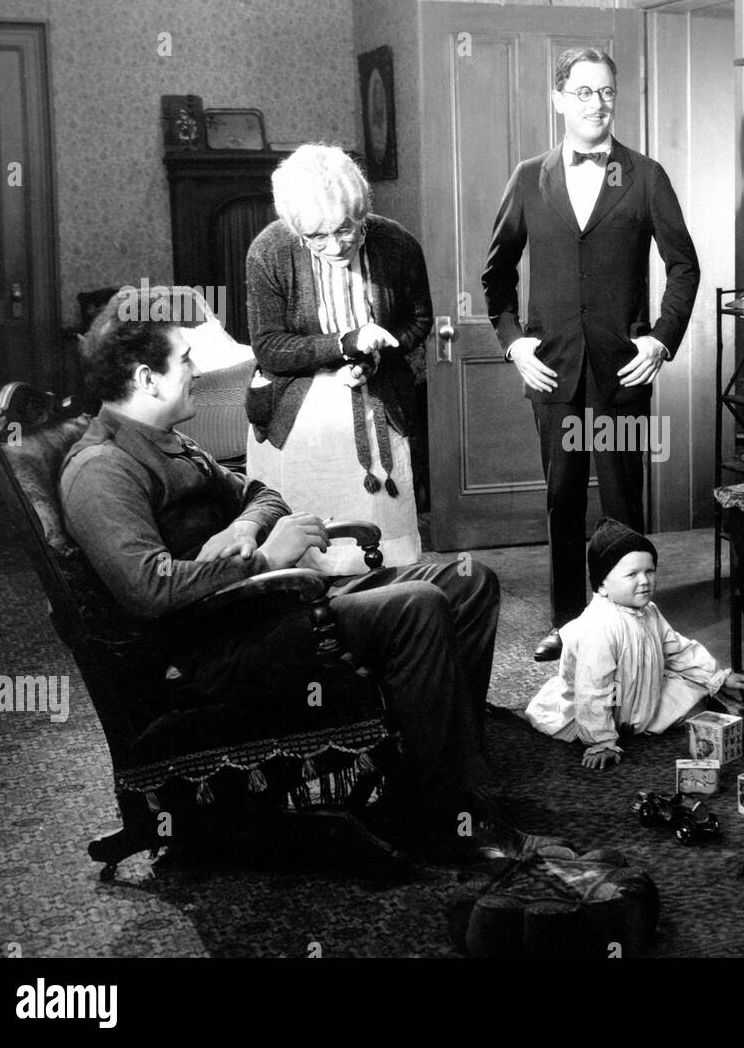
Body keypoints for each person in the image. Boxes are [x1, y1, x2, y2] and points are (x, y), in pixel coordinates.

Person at [61, 293, 500, 855]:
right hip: (218, 648)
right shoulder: (102, 470)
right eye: (186, 360)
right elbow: (149, 590)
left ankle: (424, 779)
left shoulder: (168, 441)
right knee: (417, 605)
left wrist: (245, 530)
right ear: (147, 378)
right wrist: (268, 558)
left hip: (263, 606)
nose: (198, 371)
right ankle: (444, 815)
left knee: (470, 581)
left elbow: (263, 494)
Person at [482, 47, 700, 662]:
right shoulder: (529, 177)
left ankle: (635, 631)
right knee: (563, 500)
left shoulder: (646, 175)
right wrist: (514, 341)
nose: (597, 103)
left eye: (606, 91)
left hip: (621, 372)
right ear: (559, 100)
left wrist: (660, 338)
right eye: (583, 92)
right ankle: (569, 627)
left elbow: (684, 267)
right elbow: (496, 277)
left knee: (624, 504)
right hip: (553, 372)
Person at [245, 144, 430, 575]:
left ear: (361, 211)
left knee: (383, 550)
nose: (334, 245)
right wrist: (346, 344)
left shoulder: (398, 244)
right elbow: (269, 346)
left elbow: (418, 320)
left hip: (379, 413)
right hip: (300, 425)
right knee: (307, 555)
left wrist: (378, 353)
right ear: (295, 229)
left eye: (346, 229)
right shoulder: (269, 251)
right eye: (316, 236)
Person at [524, 519, 744, 769]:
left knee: (692, 696)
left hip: (643, 694)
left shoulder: (649, 611)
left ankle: (717, 708)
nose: (644, 580)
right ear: (602, 585)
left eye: (650, 571)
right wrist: (600, 741)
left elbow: (677, 649)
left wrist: (718, 676)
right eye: (632, 574)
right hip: (605, 706)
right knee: (594, 711)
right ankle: (602, 736)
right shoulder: (599, 626)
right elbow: (593, 689)